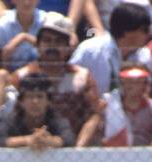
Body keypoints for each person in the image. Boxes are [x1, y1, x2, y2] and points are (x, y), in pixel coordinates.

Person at [13, 12, 99, 142]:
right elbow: (10, 116)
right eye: (47, 40)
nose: (52, 46)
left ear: (68, 47)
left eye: (59, 41)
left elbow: (94, 115)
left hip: (72, 150)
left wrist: (78, 150)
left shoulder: (82, 77)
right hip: (27, 149)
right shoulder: (21, 76)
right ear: (37, 45)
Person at [68, 0, 151, 93]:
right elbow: (69, 80)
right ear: (128, 32)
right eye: (145, 30)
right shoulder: (91, 50)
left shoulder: (144, 55)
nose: (149, 34)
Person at [82, 63, 152, 143]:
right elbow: (94, 121)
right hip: (116, 151)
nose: (130, 85)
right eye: (126, 81)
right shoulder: (111, 102)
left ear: (144, 84)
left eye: (136, 82)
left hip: (143, 152)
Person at [0, 70, 75, 145]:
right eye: (30, 97)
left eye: (40, 96)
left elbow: (69, 140)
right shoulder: (12, 119)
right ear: (21, 102)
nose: (35, 101)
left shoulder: (55, 119)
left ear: (48, 101)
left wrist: (49, 141)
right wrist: (27, 140)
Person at [0, 0, 46, 67]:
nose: (26, 2)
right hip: (10, 73)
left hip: (42, 72)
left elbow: (51, 54)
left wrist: (25, 37)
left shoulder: (47, 22)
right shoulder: (0, 26)